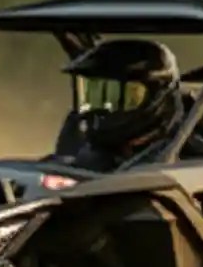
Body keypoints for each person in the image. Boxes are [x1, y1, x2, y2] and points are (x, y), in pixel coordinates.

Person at [55, 38, 184, 172]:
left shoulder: (186, 153)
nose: (104, 110)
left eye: (130, 97)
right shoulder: (78, 138)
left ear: (156, 95)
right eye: (95, 96)